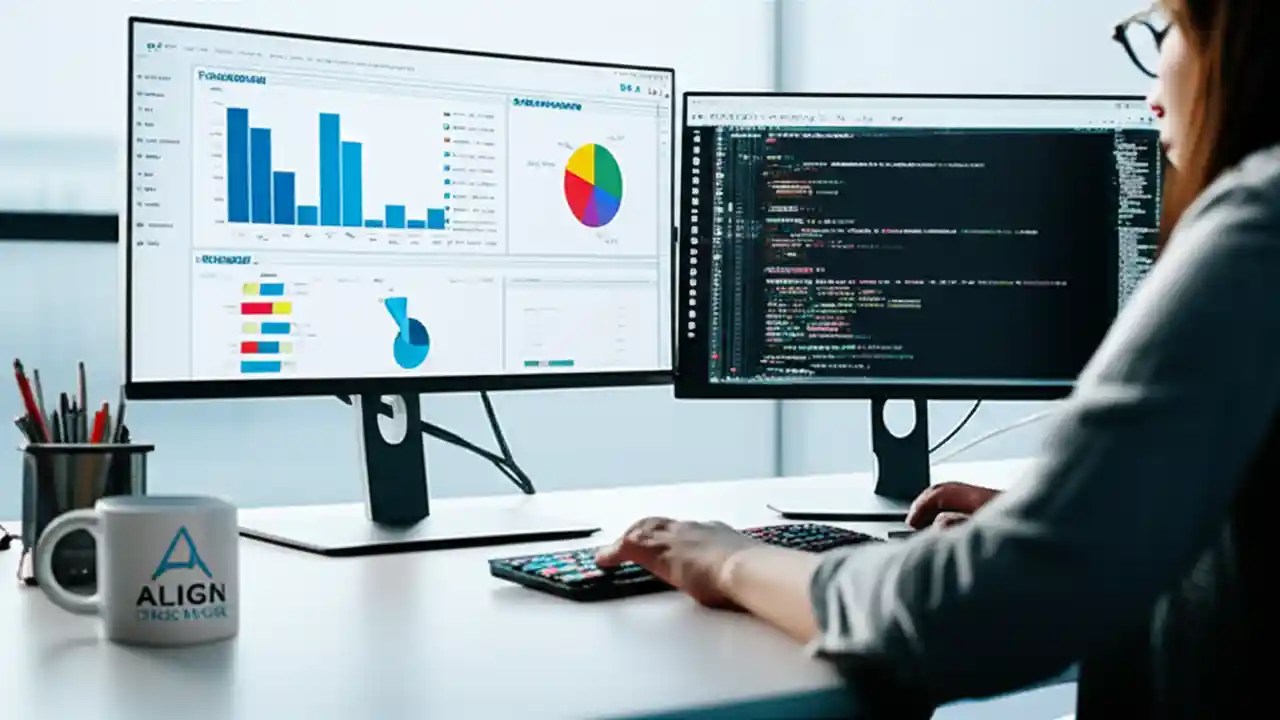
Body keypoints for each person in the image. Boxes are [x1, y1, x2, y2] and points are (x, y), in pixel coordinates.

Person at [597, 1, 1274, 716]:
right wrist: (1077, 520)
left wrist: (729, 562)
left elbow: (979, 611)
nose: (1150, 89)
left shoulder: (1257, 230)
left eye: (1164, 28)